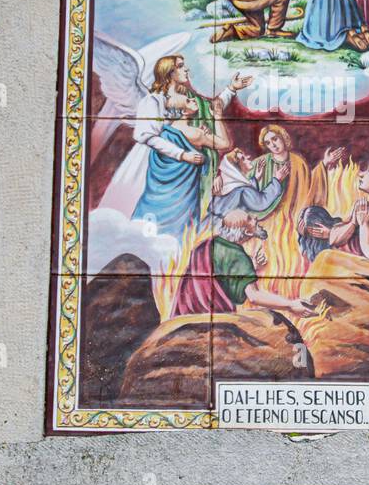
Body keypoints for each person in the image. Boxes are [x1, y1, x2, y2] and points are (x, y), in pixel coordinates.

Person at [169, 210, 316, 318]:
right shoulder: (238, 256)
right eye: (249, 219)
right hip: (216, 318)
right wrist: (290, 305)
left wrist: (251, 267)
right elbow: (254, 296)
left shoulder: (206, 245)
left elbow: (219, 278)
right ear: (247, 232)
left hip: (186, 313)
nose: (255, 218)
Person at [131, 87, 233, 235]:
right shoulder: (196, 133)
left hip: (159, 193)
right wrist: (217, 117)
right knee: (182, 231)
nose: (193, 100)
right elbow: (224, 144)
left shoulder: (163, 131)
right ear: (184, 111)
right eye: (188, 101)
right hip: (183, 195)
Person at [248, 124, 344, 223]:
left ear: (283, 137)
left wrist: (325, 162)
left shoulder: (298, 162)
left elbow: (309, 188)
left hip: (292, 217)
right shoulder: (260, 163)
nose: (273, 145)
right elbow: (245, 193)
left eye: (275, 139)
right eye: (268, 143)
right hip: (266, 218)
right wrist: (260, 179)